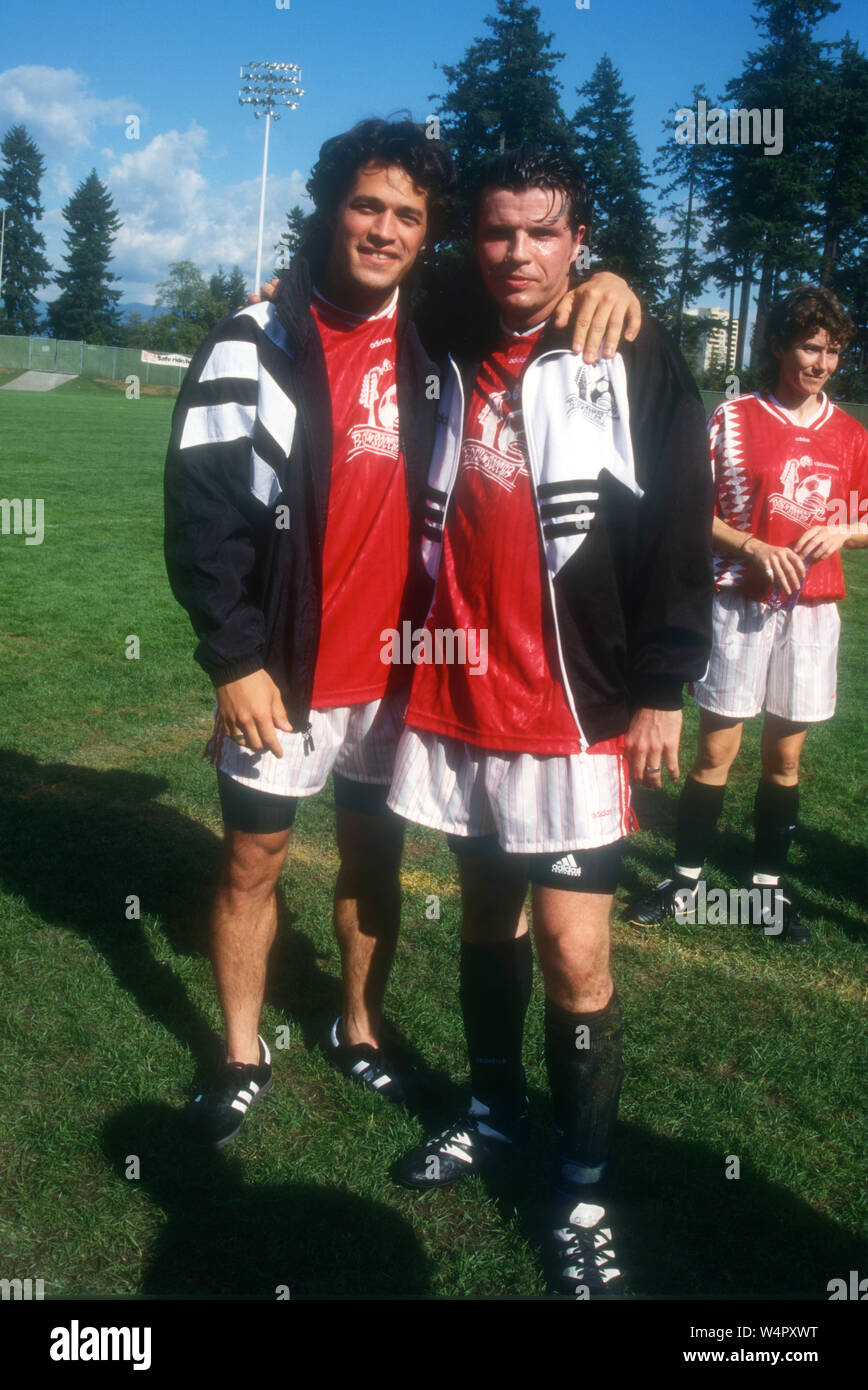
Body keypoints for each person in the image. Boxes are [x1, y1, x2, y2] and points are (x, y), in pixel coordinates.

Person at [163, 118, 641, 1148]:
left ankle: (360, 1027)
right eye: (367, 206)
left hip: (402, 674)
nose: (384, 230)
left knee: (371, 859)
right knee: (253, 860)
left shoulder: (437, 331)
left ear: (429, 235)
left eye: (409, 215)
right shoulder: (256, 337)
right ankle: (241, 1053)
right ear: (331, 209)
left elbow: (539, 278)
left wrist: (609, 279)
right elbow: (201, 512)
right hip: (283, 673)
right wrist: (232, 658)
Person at [385, 144, 712, 1295]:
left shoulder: (626, 348)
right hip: (461, 695)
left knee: (575, 950)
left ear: (578, 238)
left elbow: (679, 516)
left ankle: (579, 1186)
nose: (517, 252)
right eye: (496, 231)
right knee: (484, 916)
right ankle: (492, 1111)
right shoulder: (447, 329)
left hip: (575, 705)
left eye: (542, 231)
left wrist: (664, 682)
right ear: (471, 240)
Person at [629, 286, 868, 945]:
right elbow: (688, 510)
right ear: (779, 346)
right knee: (717, 750)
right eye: (810, 347)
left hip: (811, 613)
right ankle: (685, 879)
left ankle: (768, 891)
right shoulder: (733, 419)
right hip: (740, 603)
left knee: (784, 761)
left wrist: (844, 531)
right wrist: (753, 546)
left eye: (833, 351)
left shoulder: (851, 435)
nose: (821, 363)